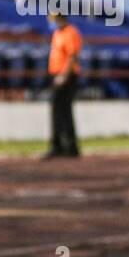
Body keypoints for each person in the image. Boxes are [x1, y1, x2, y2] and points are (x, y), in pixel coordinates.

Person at [44, 12, 82, 159]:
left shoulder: (70, 32)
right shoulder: (57, 33)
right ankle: (63, 145)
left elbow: (73, 56)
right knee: (59, 111)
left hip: (66, 77)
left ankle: (66, 145)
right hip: (57, 75)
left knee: (63, 111)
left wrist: (63, 76)